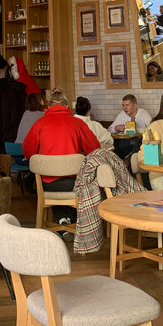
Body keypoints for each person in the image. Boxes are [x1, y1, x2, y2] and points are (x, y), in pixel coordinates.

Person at [23, 88, 100, 224]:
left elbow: (28, 152)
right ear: (67, 106)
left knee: (52, 180)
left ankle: (62, 220)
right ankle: (68, 219)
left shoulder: (39, 124)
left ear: (49, 106)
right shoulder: (78, 123)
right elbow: (95, 149)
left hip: (47, 184)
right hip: (74, 183)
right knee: (85, 181)